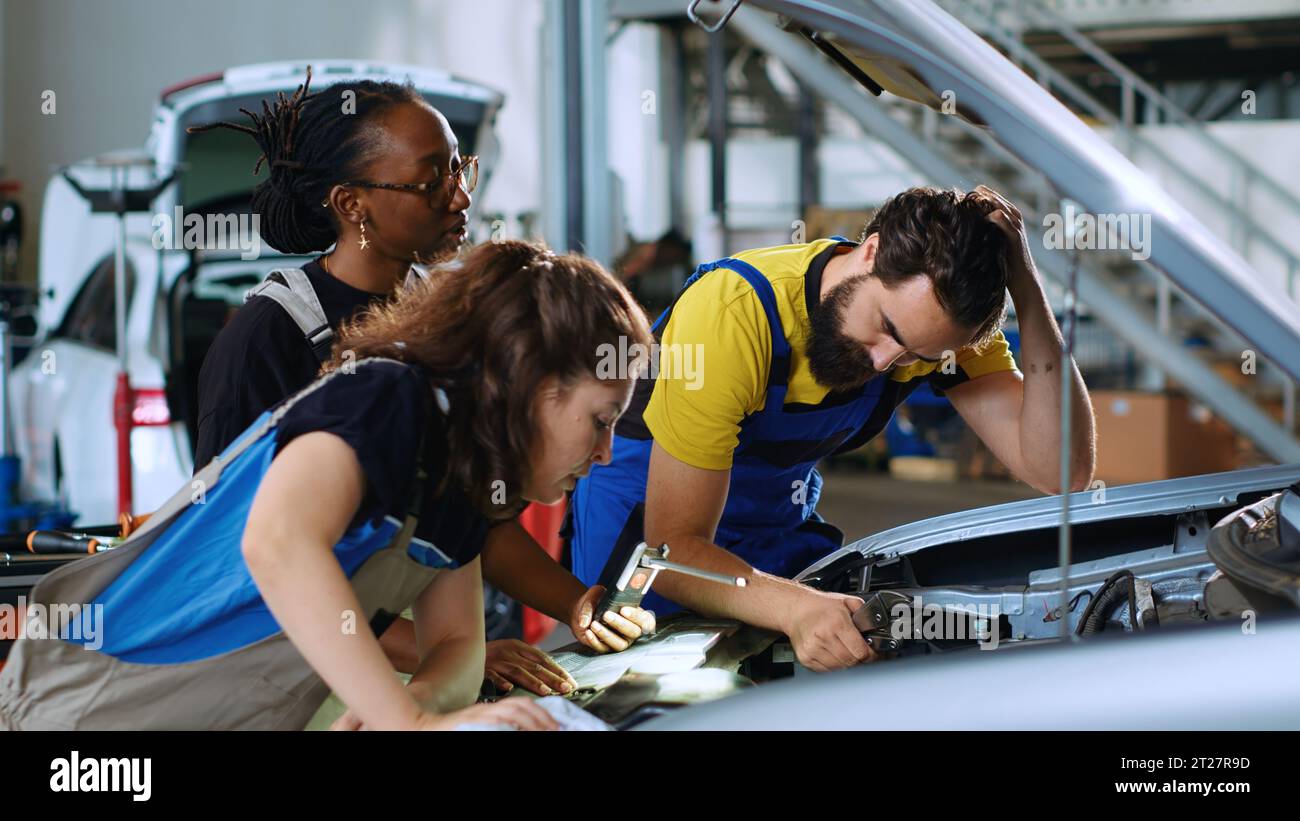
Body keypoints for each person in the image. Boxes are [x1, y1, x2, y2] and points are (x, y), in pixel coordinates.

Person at [0, 241, 652, 731]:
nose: (603, 452)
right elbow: (279, 542)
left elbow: (455, 644)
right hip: (93, 716)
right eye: (599, 420)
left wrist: (415, 704)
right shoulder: (386, 399)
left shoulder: (466, 480)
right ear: (531, 380)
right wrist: (410, 723)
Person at [190, 69, 651, 693]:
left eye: (461, 170)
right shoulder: (267, 340)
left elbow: (475, 515)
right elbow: (246, 559)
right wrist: (429, 656)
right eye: (432, 181)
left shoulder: (444, 319)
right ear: (352, 204)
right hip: (282, 668)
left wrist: (576, 603)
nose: (460, 198)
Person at [569, 185, 1097, 672]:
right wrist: (795, 607)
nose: (887, 362)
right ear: (870, 252)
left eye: (919, 353)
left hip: (770, 517)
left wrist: (1027, 289)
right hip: (646, 529)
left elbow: (1060, 470)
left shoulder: (938, 329)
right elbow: (675, 551)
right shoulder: (735, 314)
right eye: (887, 329)